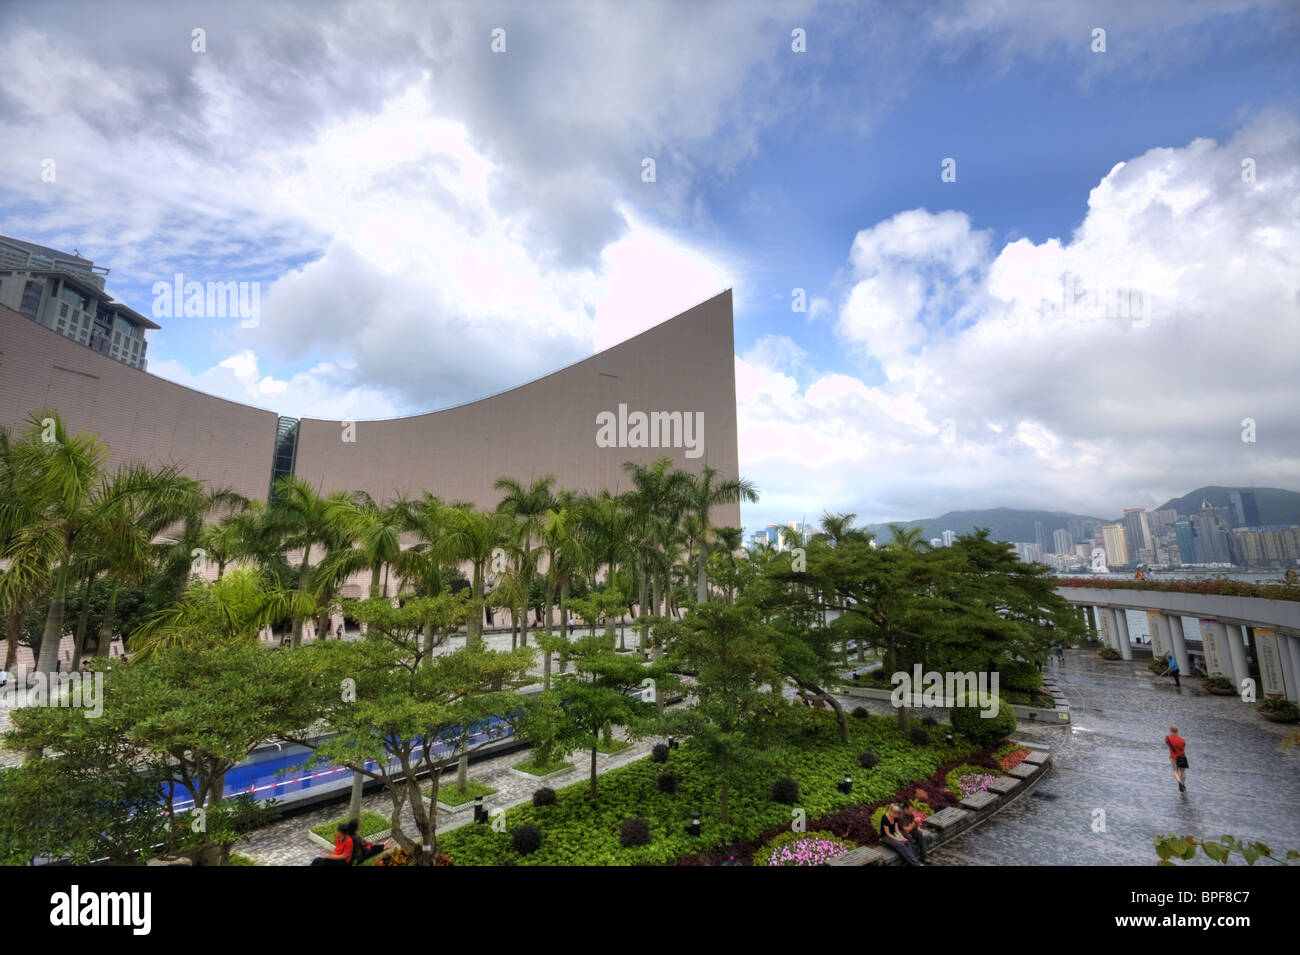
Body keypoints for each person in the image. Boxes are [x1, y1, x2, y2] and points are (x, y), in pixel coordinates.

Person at [1165, 724, 1188, 792]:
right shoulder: (1182, 740)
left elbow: (1168, 744)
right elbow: (1183, 748)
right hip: (1182, 756)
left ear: (1171, 730)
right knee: (1182, 771)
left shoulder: (1168, 738)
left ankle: (1179, 782)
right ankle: (1183, 784)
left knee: (1175, 770)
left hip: (1173, 757)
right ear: (1177, 731)